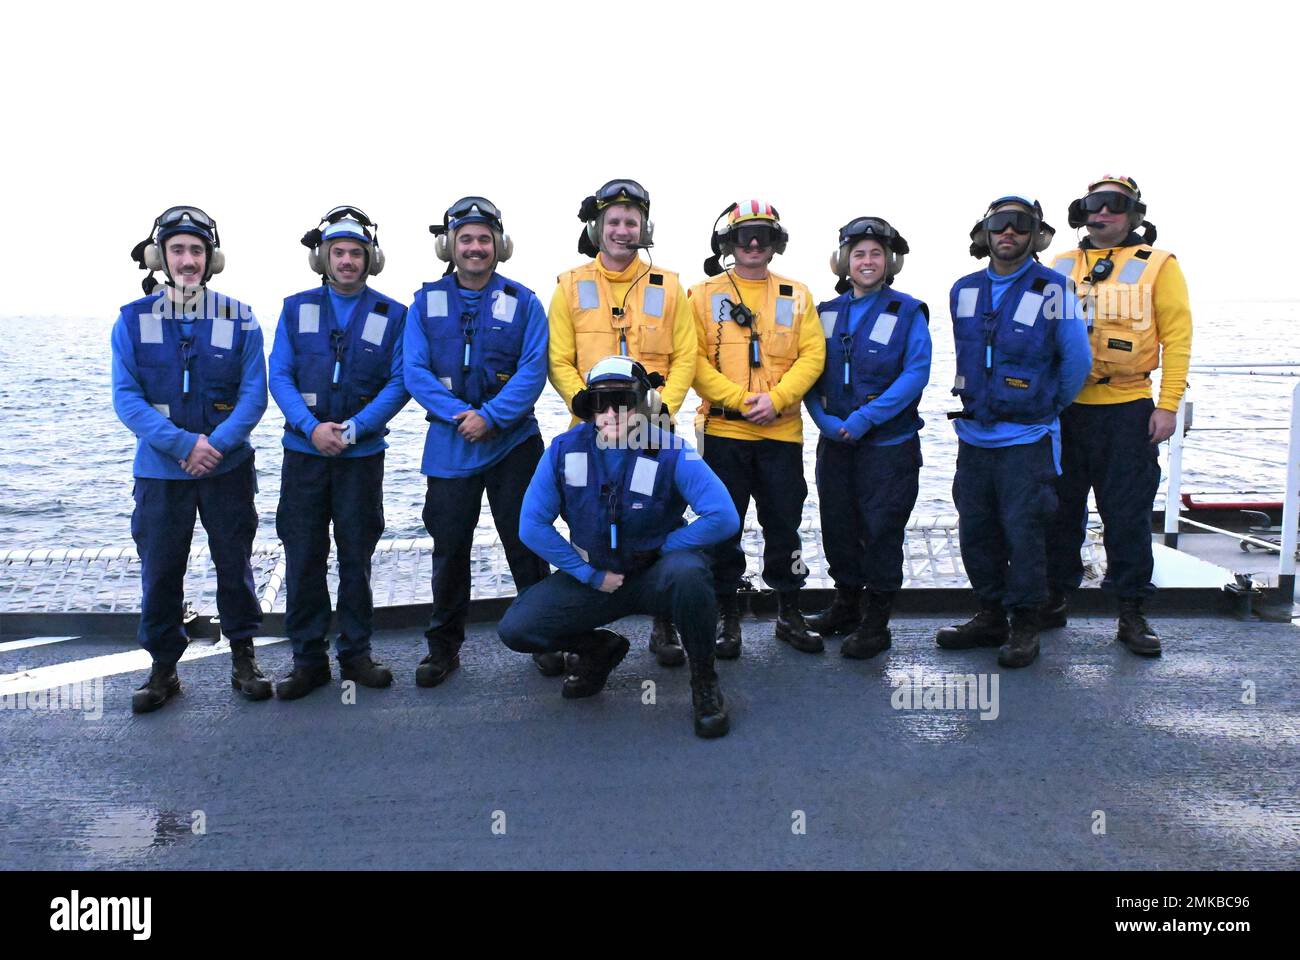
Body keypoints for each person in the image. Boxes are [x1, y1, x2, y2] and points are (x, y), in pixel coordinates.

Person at [497, 357, 739, 738]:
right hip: (594, 579)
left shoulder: (674, 451)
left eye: (622, 400)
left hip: (655, 577)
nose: (610, 413)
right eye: (600, 402)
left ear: (643, 403)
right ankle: (599, 650)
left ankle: (704, 682)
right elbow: (531, 527)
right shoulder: (562, 451)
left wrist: (664, 548)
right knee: (517, 628)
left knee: (690, 574)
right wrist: (589, 575)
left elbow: (723, 516)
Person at [115, 206, 270, 712]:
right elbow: (127, 399)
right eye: (178, 250)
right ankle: (163, 668)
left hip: (226, 469)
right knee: (161, 570)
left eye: (197, 251)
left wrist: (215, 446)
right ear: (161, 257)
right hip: (162, 472)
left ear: (211, 259)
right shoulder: (132, 321)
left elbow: (254, 396)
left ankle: (244, 656)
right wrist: (185, 446)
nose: (187, 260)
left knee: (235, 563)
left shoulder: (240, 317)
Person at [548, 179, 697, 670]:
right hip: (592, 434)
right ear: (597, 227)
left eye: (631, 222)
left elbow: (685, 357)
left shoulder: (670, 286)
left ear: (644, 228)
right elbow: (559, 359)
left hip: (653, 431)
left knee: (661, 520)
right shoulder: (569, 285)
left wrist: (661, 410)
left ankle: (664, 624)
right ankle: (582, 634)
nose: (622, 230)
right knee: (585, 525)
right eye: (613, 221)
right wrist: (586, 406)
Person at [937, 196, 1092, 668]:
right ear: (985, 233)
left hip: (1028, 438)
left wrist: (1043, 405)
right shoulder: (962, 290)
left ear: (1035, 235)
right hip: (975, 437)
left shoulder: (1054, 289)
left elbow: (1077, 363)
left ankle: (1025, 623)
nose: (1009, 233)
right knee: (977, 530)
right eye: (1000, 225)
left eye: (1020, 226)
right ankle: (989, 615)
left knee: (1026, 533)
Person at [403, 197, 550, 687]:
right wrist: (458, 415)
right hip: (450, 448)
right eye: (465, 239)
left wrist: (491, 417)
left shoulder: (525, 301)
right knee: (450, 551)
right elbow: (415, 372)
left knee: (527, 543)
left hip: (513, 445)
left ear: (498, 245)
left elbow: (533, 371)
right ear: (450, 245)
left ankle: (545, 639)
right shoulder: (424, 304)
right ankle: (443, 649)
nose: (475, 248)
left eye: (484, 239)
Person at [1043, 176, 1192, 656]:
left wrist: (1168, 405)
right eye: (1094, 205)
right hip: (1064, 411)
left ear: (1134, 214)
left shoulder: (1159, 265)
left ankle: (1131, 612)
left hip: (1127, 410)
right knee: (1058, 513)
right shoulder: (1059, 265)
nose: (1102, 213)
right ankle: (1052, 599)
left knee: (1126, 515)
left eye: (1115, 205)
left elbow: (1178, 339)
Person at [267, 207, 409, 700]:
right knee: (303, 557)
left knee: (356, 557)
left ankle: (356, 654)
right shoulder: (294, 309)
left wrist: (354, 429)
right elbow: (279, 375)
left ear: (372, 260)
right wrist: (310, 428)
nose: (347, 261)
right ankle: (308, 660)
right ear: (322, 258)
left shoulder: (394, 315)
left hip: (361, 459)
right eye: (339, 252)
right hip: (303, 457)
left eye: (356, 253)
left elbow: (400, 382)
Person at [688, 201, 826, 659]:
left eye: (762, 236)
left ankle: (790, 610)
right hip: (723, 433)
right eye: (744, 235)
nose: (752, 244)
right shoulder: (701, 296)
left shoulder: (797, 294)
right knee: (723, 528)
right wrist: (739, 400)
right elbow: (692, 362)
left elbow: (812, 356)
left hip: (780, 434)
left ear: (775, 243)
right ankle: (727, 616)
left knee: (785, 526)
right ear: (727, 242)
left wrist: (777, 399)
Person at [804, 217, 931, 658]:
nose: (867, 261)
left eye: (876, 253)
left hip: (887, 449)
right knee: (838, 527)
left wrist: (865, 419)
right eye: (859, 254)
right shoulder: (824, 313)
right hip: (834, 443)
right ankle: (846, 605)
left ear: (890, 261)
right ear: (844, 262)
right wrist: (820, 419)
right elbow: (809, 373)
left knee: (881, 532)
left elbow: (916, 373)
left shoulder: (908, 312)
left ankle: (876, 623)